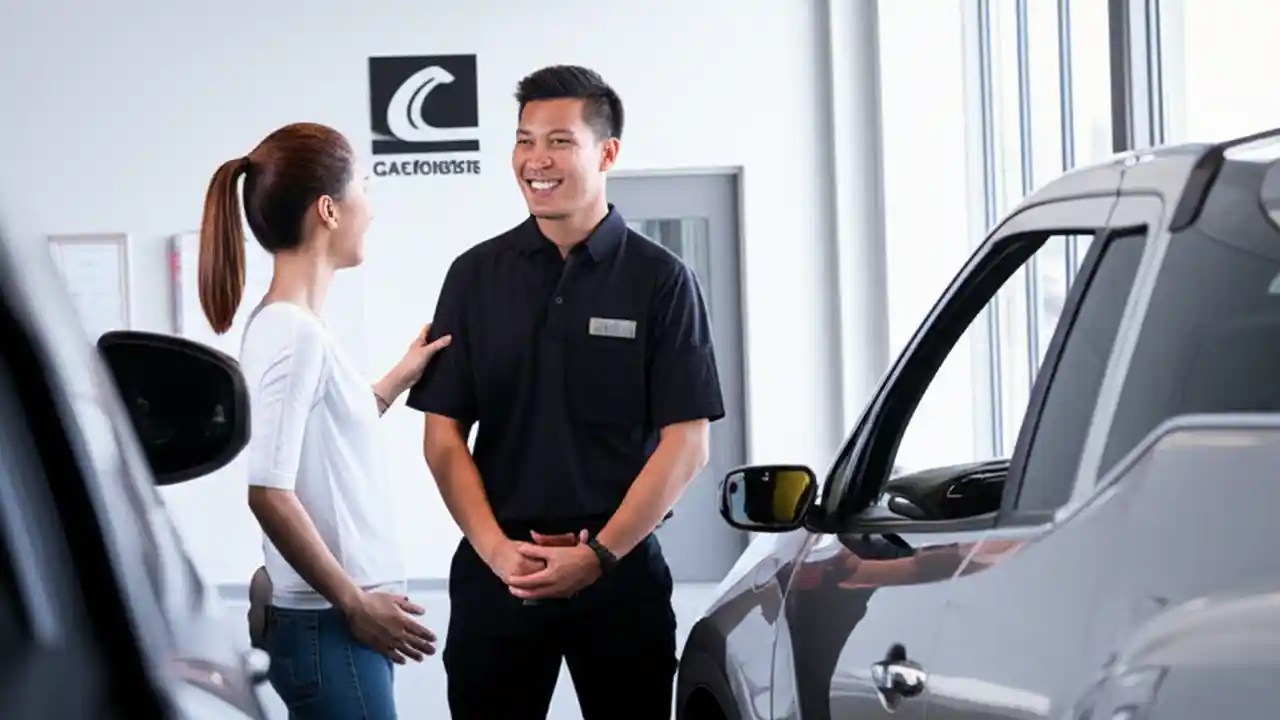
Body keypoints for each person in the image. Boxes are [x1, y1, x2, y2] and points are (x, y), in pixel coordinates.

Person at [407, 64, 726, 719]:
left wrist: (599, 555)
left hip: (620, 575)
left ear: (607, 153)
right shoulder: (473, 276)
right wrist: (497, 552)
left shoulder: (662, 281)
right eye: (524, 141)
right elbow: (442, 436)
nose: (536, 160)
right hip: (499, 572)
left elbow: (688, 443)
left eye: (559, 141)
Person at [198, 121, 450, 719]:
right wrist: (355, 604)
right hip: (330, 625)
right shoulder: (292, 333)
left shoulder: (296, 325)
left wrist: (397, 378)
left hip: (329, 625)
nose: (371, 210)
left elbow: (329, 438)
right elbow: (268, 492)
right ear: (329, 210)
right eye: (364, 187)